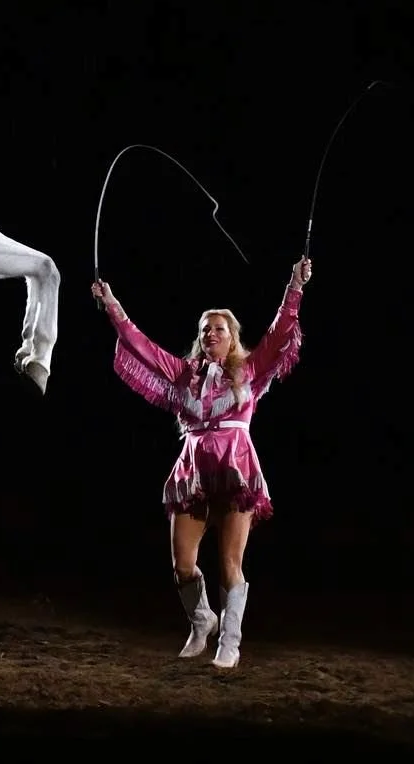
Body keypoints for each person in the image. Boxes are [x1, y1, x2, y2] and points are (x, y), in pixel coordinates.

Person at [90, 256, 312, 669]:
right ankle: (201, 619)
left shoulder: (248, 371)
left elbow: (280, 330)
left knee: (230, 562)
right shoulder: (182, 374)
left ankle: (231, 641)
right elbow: (140, 343)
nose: (211, 334)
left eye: (219, 329)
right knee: (182, 564)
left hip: (234, 469)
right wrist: (112, 303)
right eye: (205, 330)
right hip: (192, 471)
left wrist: (294, 285)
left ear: (232, 338)